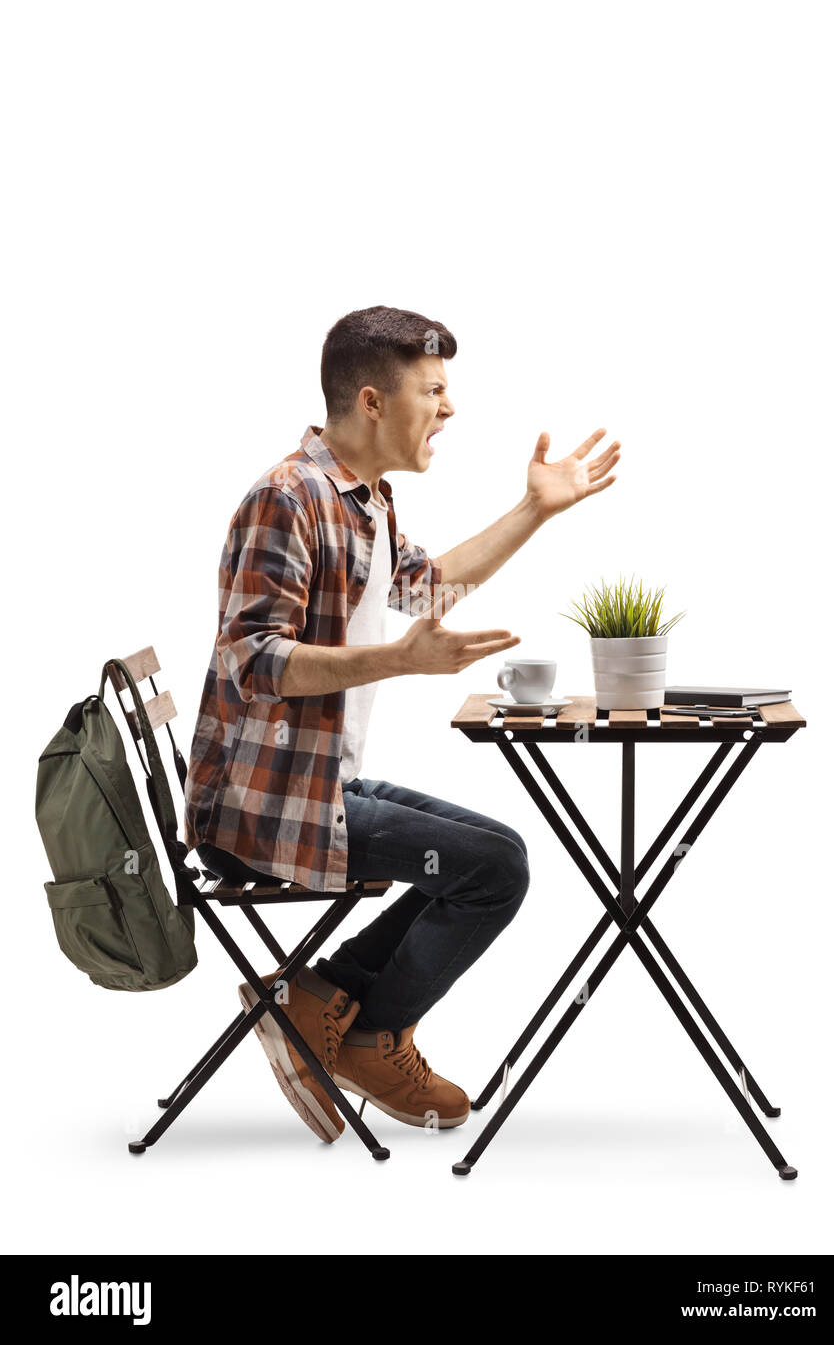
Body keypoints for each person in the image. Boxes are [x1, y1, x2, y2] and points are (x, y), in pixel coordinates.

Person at [185, 305, 620, 1143]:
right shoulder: (287, 498)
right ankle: (372, 1037)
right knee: (491, 871)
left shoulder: (362, 501)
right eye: (434, 389)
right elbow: (255, 661)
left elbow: (425, 592)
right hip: (262, 809)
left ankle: (319, 998)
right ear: (375, 400)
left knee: (500, 855)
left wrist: (535, 511)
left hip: (315, 787)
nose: (450, 409)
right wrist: (401, 660)